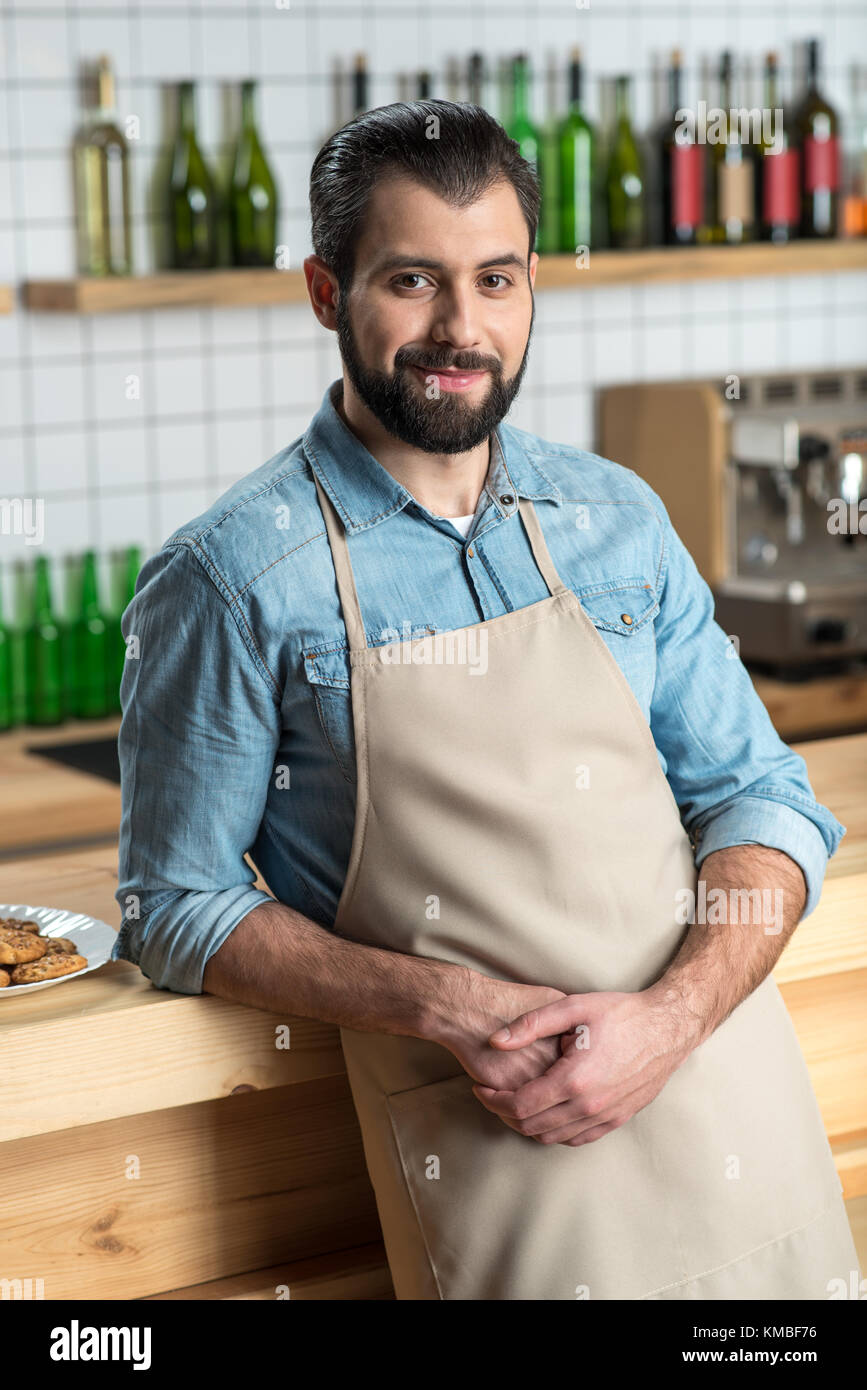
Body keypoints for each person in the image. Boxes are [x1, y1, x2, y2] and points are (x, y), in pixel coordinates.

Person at [113, 99, 859, 1300]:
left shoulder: (618, 516)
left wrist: (670, 1019)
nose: (462, 328)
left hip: (731, 1114)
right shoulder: (231, 577)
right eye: (413, 279)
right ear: (324, 291)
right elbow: (174, 903)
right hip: (500, 1152)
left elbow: (763, 799)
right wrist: (444, 1003)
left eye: (498, 280)